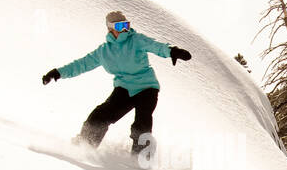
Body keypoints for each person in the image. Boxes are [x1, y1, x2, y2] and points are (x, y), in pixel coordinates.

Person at [42, 10, 192, 153]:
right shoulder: (104, 52)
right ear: (110, 28)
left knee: (142, 123)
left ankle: (141, 156)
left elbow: (155, 46)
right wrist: (58, 72)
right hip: (124, 89)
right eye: (120, 26)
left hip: (147, 88)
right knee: (100, 115)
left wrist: (172, 51)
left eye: (127, 25)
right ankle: (85, 144)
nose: (125, 29)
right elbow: (82, 64)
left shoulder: (136, 40)